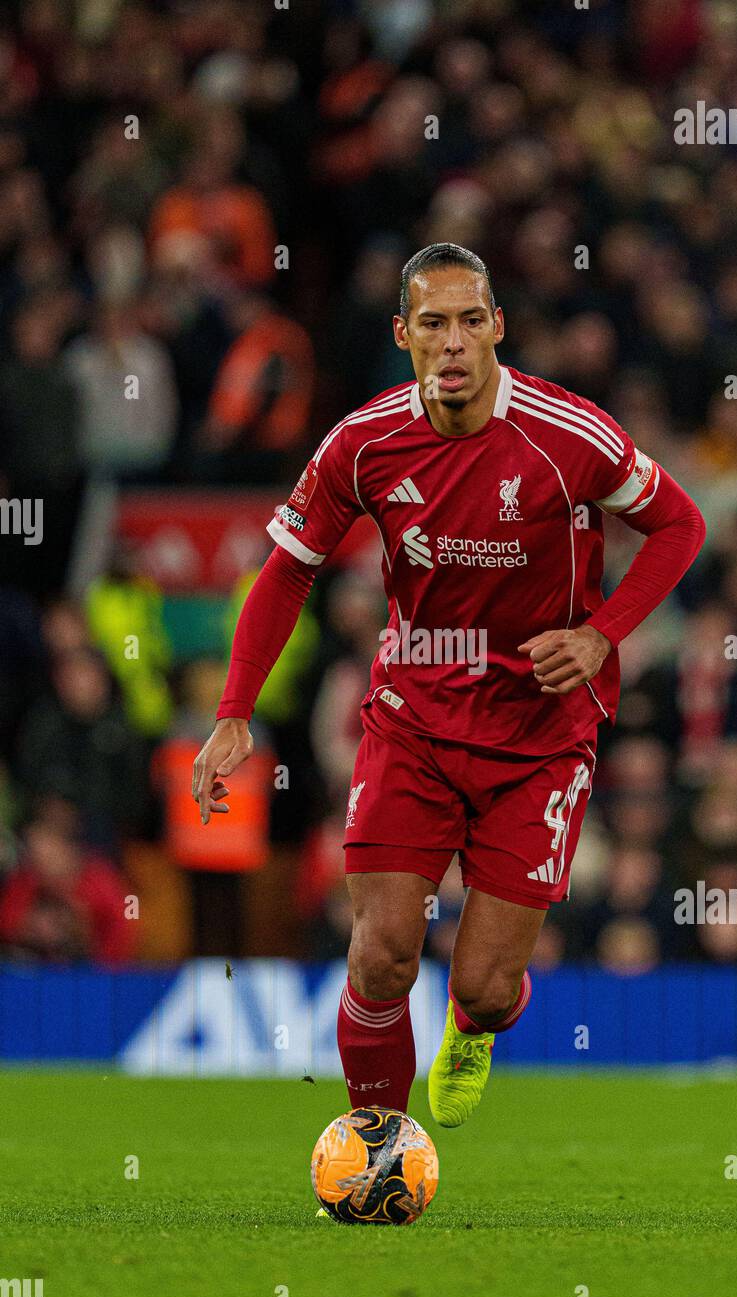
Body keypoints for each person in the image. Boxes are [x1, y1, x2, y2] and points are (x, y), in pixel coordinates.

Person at [192, 243, 705, 1127]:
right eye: (434, 323)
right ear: (404, 335)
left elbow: (678, 525)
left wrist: (599, 634)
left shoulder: (568, 435)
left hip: (540, 737)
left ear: (498, 326)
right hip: (413, 725)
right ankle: (377, 1142)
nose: (456, 342)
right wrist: (234, 712)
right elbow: (286, 571)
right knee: (382, 954)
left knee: (489, 984)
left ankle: (476, 1026)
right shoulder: (364, 443)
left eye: (473, 320)